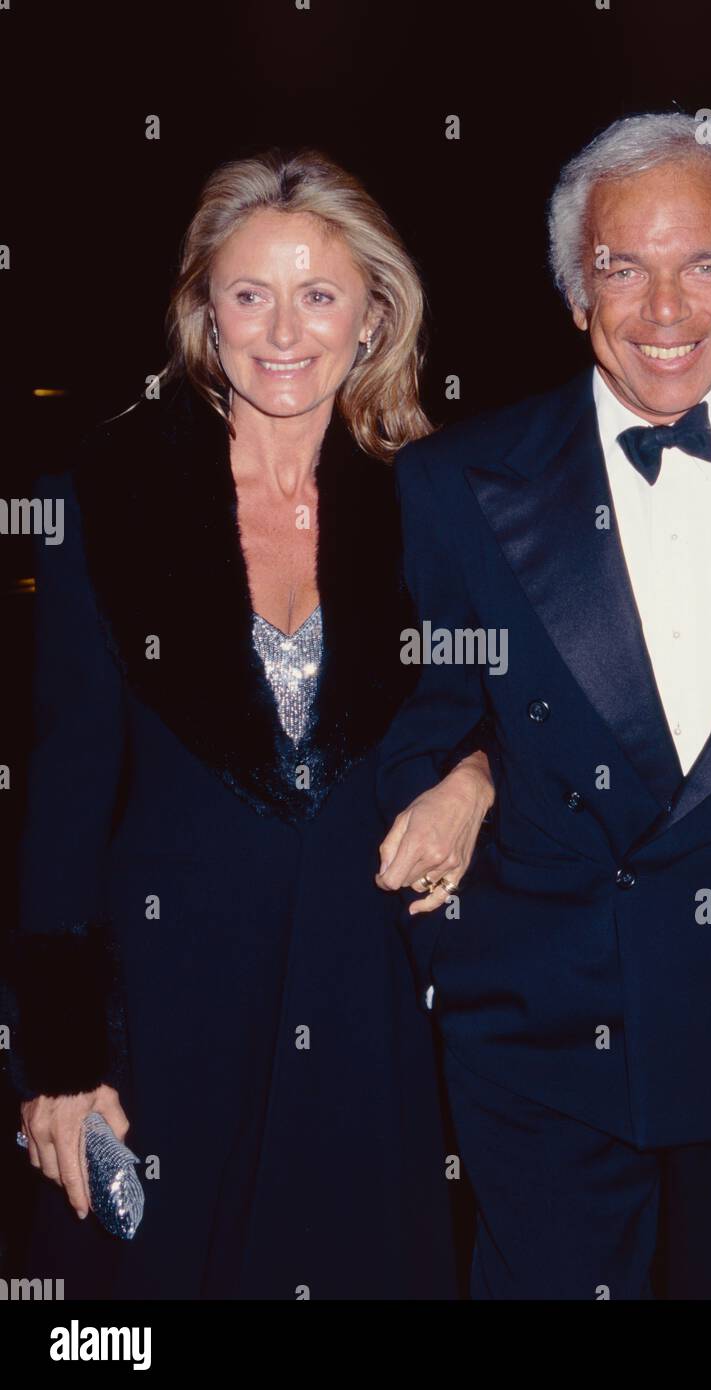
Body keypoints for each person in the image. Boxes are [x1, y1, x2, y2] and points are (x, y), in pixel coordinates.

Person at [375, 112, 711, 1300]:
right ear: (576, 293)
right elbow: (425, 711)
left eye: (702, 264)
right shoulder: (457, 483)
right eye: (623, 268)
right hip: (535, 1034)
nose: (664, 310)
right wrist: (467, 773)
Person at [6, 148, 494, 1300]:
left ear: (373, 315)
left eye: (318, 294)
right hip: (169, 1009)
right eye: (249, 293)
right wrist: (62, 1060)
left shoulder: (434, 495)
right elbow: (66, 788)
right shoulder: (110, 491)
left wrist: (474, 778)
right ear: (202, 311)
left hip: (367, 999)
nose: (284, 329)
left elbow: (498, 703)